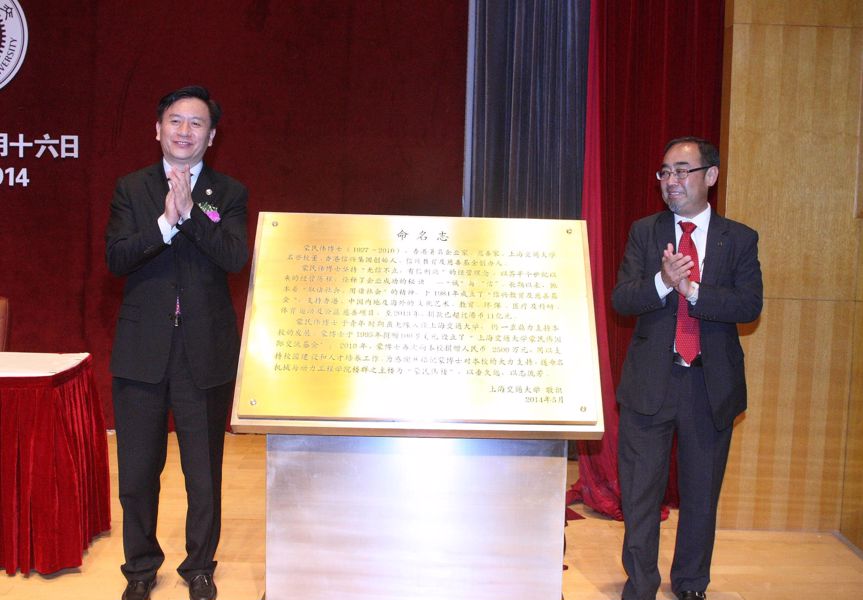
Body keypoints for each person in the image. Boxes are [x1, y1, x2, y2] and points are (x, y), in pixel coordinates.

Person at [105, 85, 249, 600]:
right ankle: (140, 569)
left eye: (196, 124)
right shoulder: (132, 188)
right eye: (175, 121)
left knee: (204, 474)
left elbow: (234, 257)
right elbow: (118, 258)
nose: (184, 131)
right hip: (142, 353)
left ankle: (199, 566)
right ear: (158, 129)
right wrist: (166, 221)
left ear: (211, 136)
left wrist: (191, 215)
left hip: (203, 354)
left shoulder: (228, 193)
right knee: (138, 473)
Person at [611, 137, 762, 600]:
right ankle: (640, 584)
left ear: (710, 177)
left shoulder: (738, 238)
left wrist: (692, 290)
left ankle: (692, 584)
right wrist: (663, 281)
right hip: (650, 383)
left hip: (707, 384)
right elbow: (622, 298)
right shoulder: (645, 231)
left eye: (681, 171)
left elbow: (749, 305)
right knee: (640, 496)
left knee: (700, 496)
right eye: (664, 173)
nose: (670, 182)